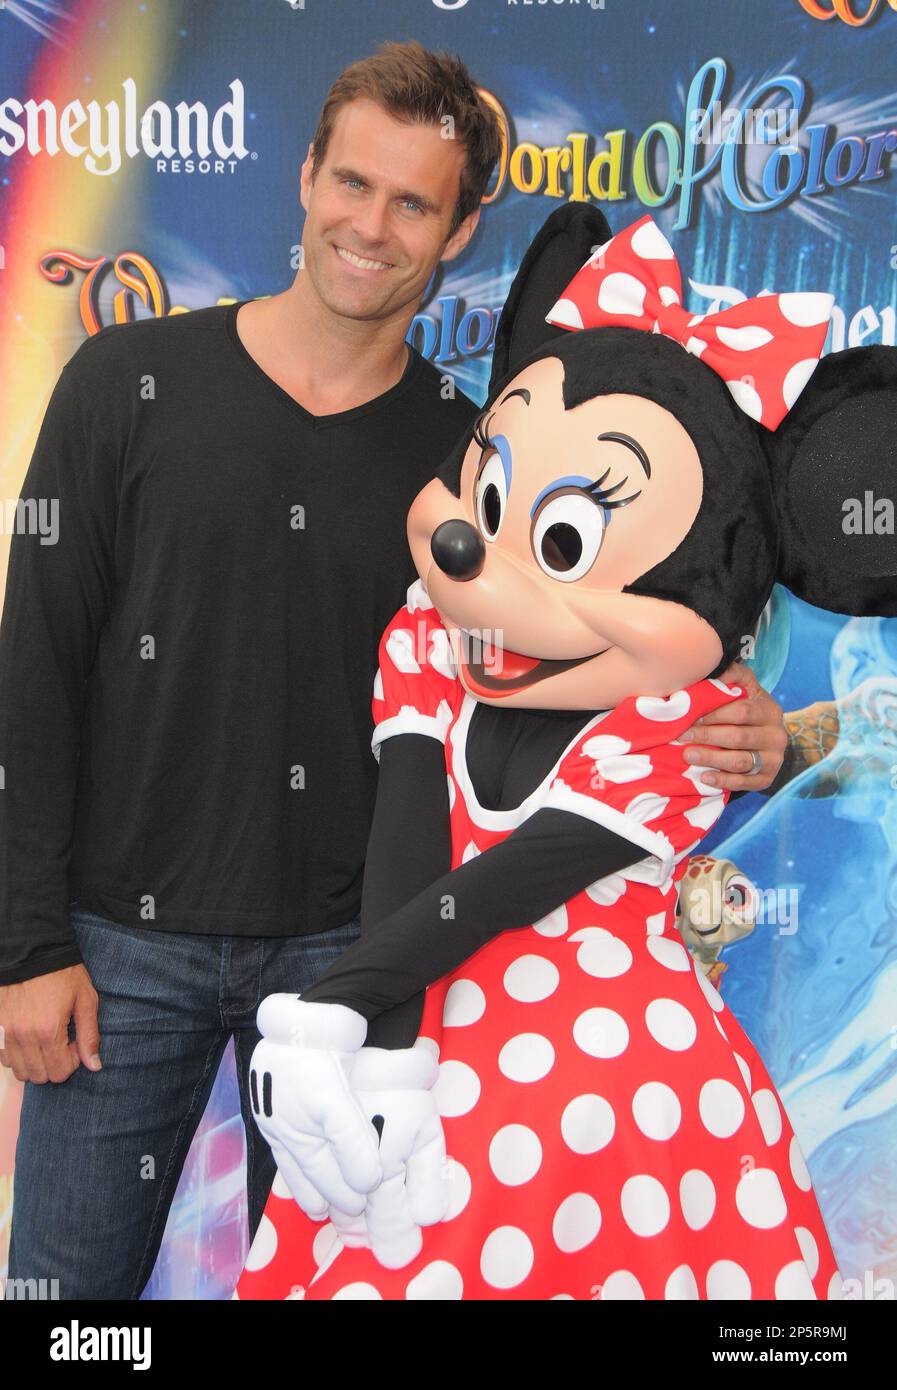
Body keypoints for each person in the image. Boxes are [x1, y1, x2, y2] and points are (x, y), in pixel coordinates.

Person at [0, 42, 785, 1301]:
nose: (371, 226)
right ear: (305, 177)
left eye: (413, 201)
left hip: (352, 970)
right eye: (351, 183)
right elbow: (31, 674)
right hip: (114, 957)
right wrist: (25, 942)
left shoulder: (475, 461)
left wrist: (745, 723)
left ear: (463, 227)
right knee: (63, 1309)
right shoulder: (125, 387)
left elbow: (596, 645)